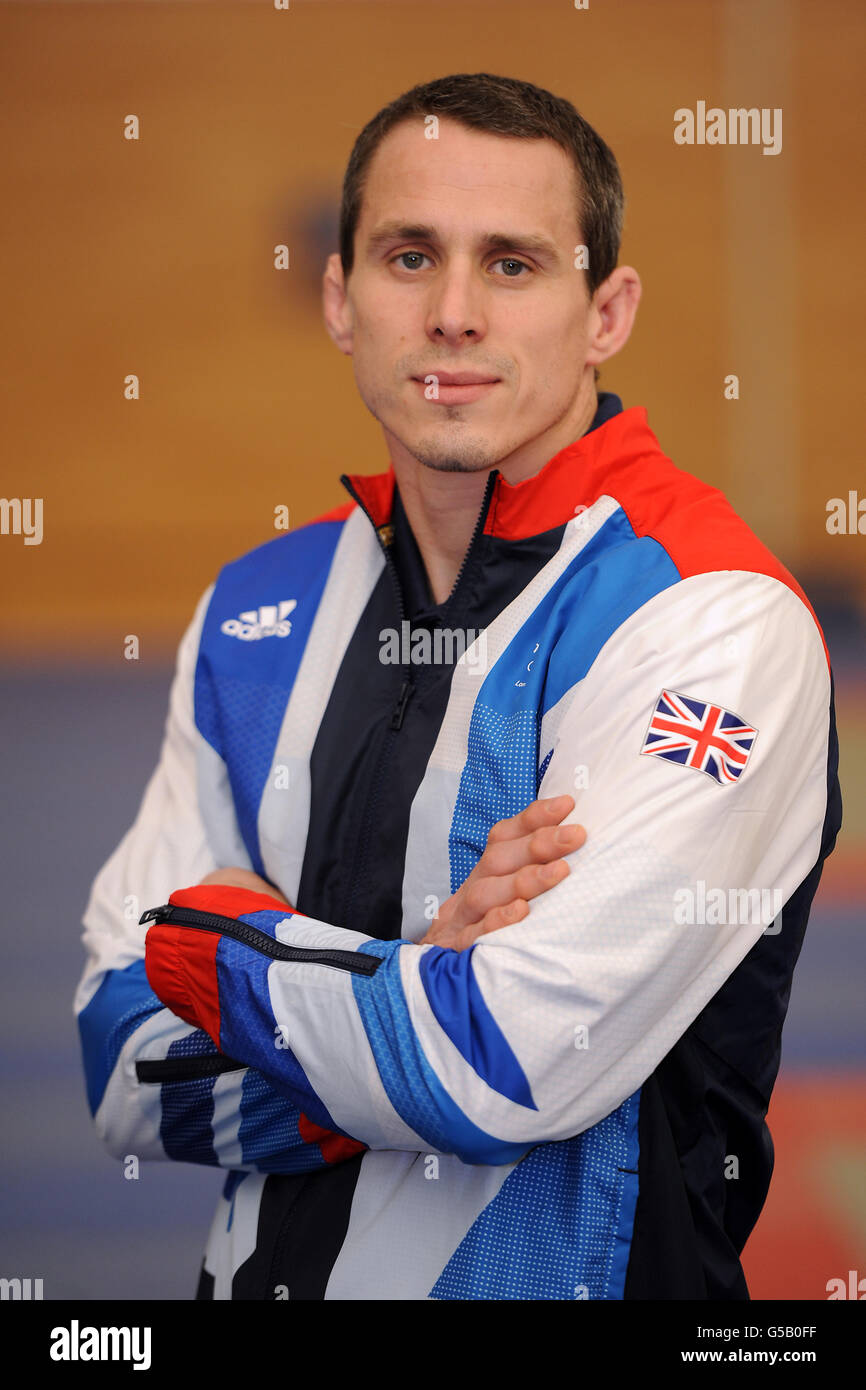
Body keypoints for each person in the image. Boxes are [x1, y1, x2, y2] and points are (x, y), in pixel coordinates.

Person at [75, 72, 842, 1301]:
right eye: (407, 255)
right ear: (339, 297)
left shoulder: (706, 615)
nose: (451, 314)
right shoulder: (250, 614)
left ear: (606, 311)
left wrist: (217, 938)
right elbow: (117, 1067)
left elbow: (503, 1063)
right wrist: (418, 966)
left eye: (514, 265)